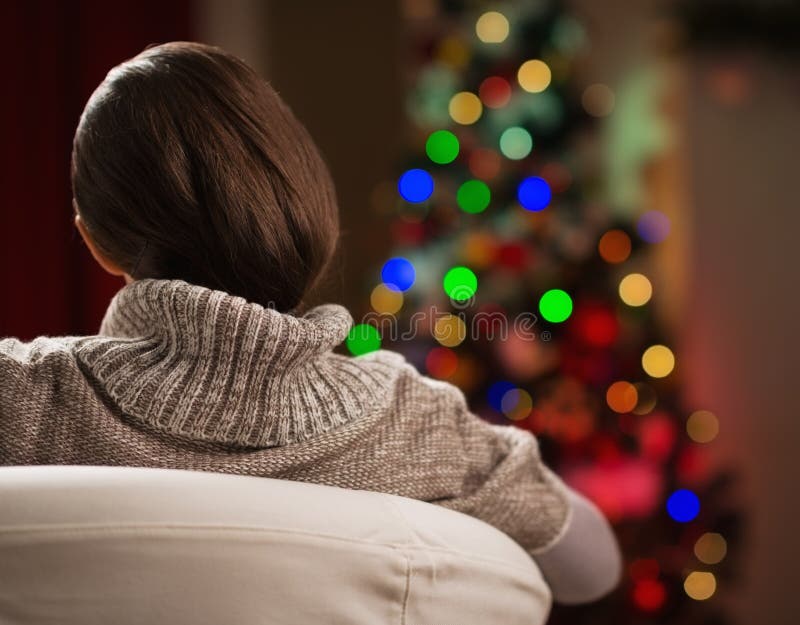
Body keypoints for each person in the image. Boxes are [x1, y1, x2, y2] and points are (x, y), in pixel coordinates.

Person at [0, 41, 621, 604]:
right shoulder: (415, 423)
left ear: (95, 242)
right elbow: (595, 569)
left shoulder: (20, 399)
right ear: (306, 210)